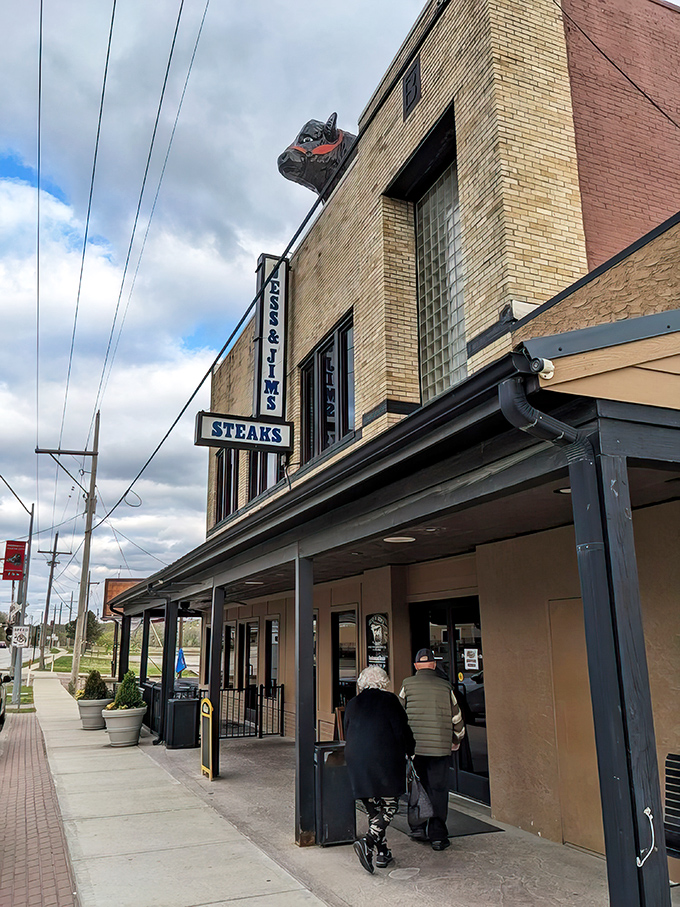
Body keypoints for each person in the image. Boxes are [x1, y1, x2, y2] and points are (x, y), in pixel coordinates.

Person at [344, 665, 415, 874]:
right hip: (384, 759)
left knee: (374, 808)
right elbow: (402, 730)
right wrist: (411, 751)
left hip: (357, 759)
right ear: (383, 682)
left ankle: (382, 852)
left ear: (362, 682)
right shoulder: (390, 701)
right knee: (390, 805)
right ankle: (368, 841)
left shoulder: (353, 703)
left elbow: (347, 730)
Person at [398, 648, 466, 851]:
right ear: (434, 665)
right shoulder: (446, 687)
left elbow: (398, 714)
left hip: (416, 749)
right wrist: (456, 740)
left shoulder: (407, 685)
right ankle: (438, 835)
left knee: (418, 789)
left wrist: (402, 744)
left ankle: (418, 828)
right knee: (438, 791)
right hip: (439, 749)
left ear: (416, 666)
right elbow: (458, 720)